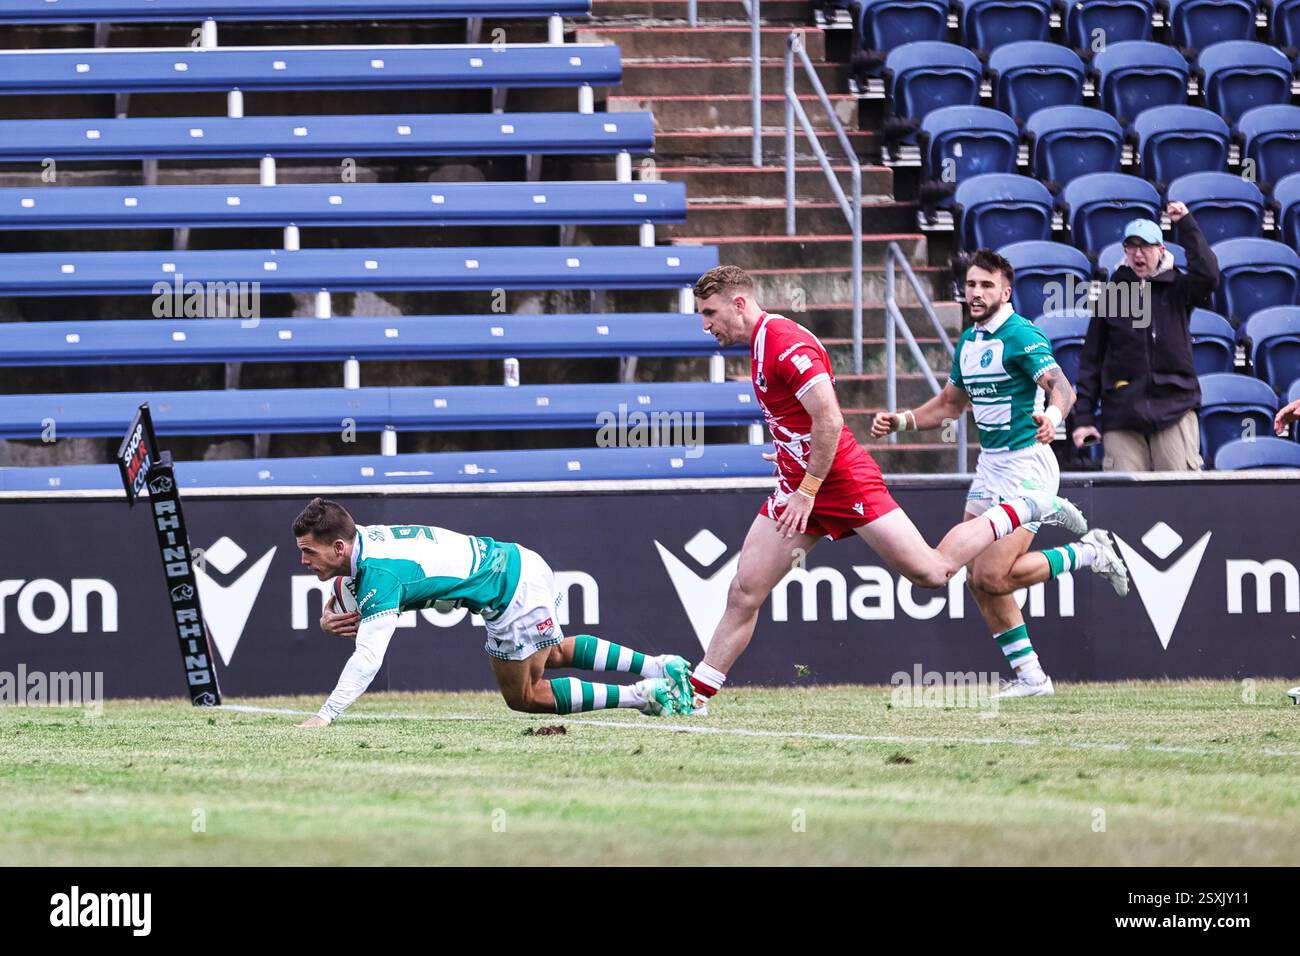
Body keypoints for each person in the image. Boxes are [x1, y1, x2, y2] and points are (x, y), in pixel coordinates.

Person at [686, 265, 1090, 714]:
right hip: (802, 482)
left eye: (709, 313)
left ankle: (1027, 506)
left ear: (739, 304)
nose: (705, 324)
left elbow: (831, 420)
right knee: (745, 589)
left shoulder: (785, 343)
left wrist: (807, 486)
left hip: (839, 481)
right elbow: (806, 422)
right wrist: (791, 457)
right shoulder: (760, 344)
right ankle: (697, 695)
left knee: (934, 573)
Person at [873, 249, 1130, 698]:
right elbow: (950, 405)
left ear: (1005, 292)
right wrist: (903, 421)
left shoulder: (1020, 334)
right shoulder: (969, 341)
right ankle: (1032, 677)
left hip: (1028, 466)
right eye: (971, 284)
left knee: (993, 576)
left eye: (986, 285)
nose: (975, 292)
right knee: (976, 580)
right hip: (990, 467)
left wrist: (1054, 415)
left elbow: (1061, 385)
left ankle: (1090, 552)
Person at [291, 497, 693, 726]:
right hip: (521, 561)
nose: (305, 561)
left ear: (339, 547)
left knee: (525, 696)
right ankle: (660, 667)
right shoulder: (365, 542)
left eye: (309, 551)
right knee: (551, 653)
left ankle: (643, 696)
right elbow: (360, 583)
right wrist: (332, 620)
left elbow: (367, 658)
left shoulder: (379, 574)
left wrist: (325, 716)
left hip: (509, 593)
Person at [1071, 204, 1220, 470]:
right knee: (1125, 505)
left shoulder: (1179, 287)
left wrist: (1185, 223)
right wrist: (1083, 418)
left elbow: (1209, 275)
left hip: (1175, 409)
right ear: (1125, 252)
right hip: (1122, 414)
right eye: (1132, 247)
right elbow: (1091, 361)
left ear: (1161, 250)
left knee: (1178, 500)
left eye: (1147, 247)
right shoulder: (1111, 296)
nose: (1139, 254)